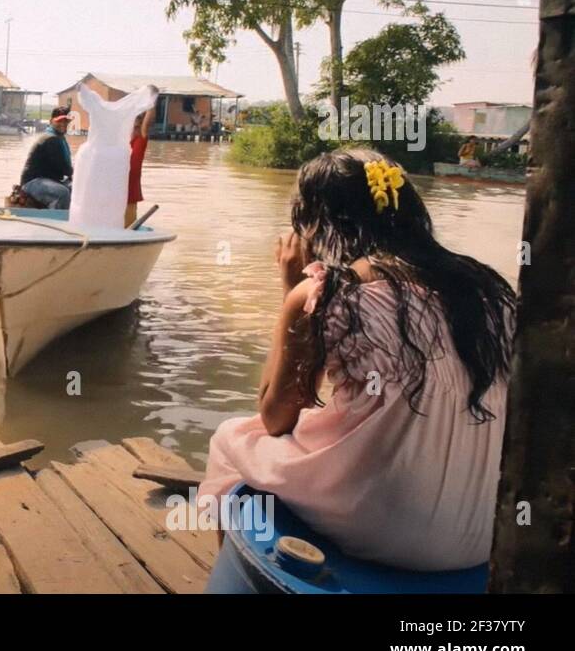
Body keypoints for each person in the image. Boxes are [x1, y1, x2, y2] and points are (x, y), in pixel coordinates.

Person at [199, 147, 516, 573]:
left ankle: (242, 580)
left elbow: (276, 417)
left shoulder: (329, 293)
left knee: (231, 438)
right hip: (480, 534)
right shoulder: (488, 291)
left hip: (383, 529)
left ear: (318, 224)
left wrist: (291, 292)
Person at [19, 105, 74, 209]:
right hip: (33, 181)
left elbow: (66, 168)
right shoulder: (50, 139)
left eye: (65, 122)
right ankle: (57, 221)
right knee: (63, 193)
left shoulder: (59, 139)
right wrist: (79, 176)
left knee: (75, 188)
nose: (63, 124)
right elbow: (64, 168)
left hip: (48, 179)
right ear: (51, 121)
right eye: (59, 121)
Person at [124, 99, 156, 226]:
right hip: (120, 180)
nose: (135, 123)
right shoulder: (123, 139)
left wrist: (151, 101)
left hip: (131, 182)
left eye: (138, 119)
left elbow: (146, 123)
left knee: (129, 218)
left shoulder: (141, 139)